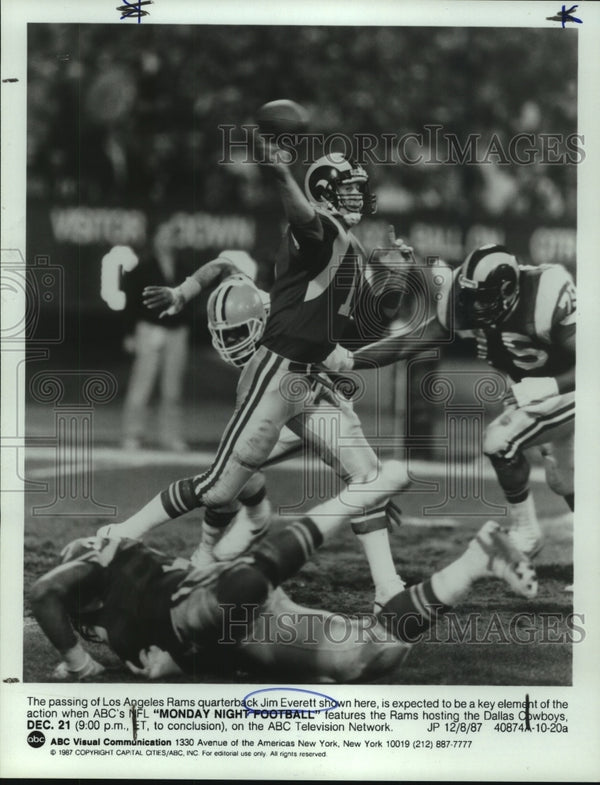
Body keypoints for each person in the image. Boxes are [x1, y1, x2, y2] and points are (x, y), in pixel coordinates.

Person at [98, 145, 412, 611]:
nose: (357, 195)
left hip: (308, 381)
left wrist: (399, 279)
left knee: (367, 477)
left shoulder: (352, 249)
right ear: (324, 193)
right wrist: (279, 169)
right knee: (216, 489)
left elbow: (369, 322)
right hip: (278, 370)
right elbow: (299, 212)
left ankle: (388, 589)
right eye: (347, 188)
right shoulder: (319, 230)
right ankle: (120, 533)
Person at [30, 461, 537, 683]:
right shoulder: (114, 611)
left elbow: (44, 593)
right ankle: (477, 559)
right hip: (237, 632)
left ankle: (359, 494)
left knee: (222, 602)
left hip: (212, 606)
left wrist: (79, 665)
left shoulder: (102, 561)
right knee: (376, 658)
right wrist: (176, 666)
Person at [336, 244, 576, 557]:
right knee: (565, 478)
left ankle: (527, 535)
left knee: (499, 441)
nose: (474, 306)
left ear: (508, 291)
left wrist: (546, 386)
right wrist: (348, 361)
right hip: (535, 394)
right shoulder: (461, 301)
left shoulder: (545, 294)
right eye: (470, 295)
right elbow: (408, 342)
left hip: (572, 390)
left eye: (484, 297)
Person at [119, 238, 190, 451]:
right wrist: (130, 332)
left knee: (173, 387)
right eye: (164, 235)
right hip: (149, 328)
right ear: (156, 239)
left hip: (176, 331)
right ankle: (133, 433)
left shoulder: (183, 268)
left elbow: (191, 300)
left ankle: (170, 436)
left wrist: (181, 324)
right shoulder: (143, 268)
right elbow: (131, 300)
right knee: (142, 383)